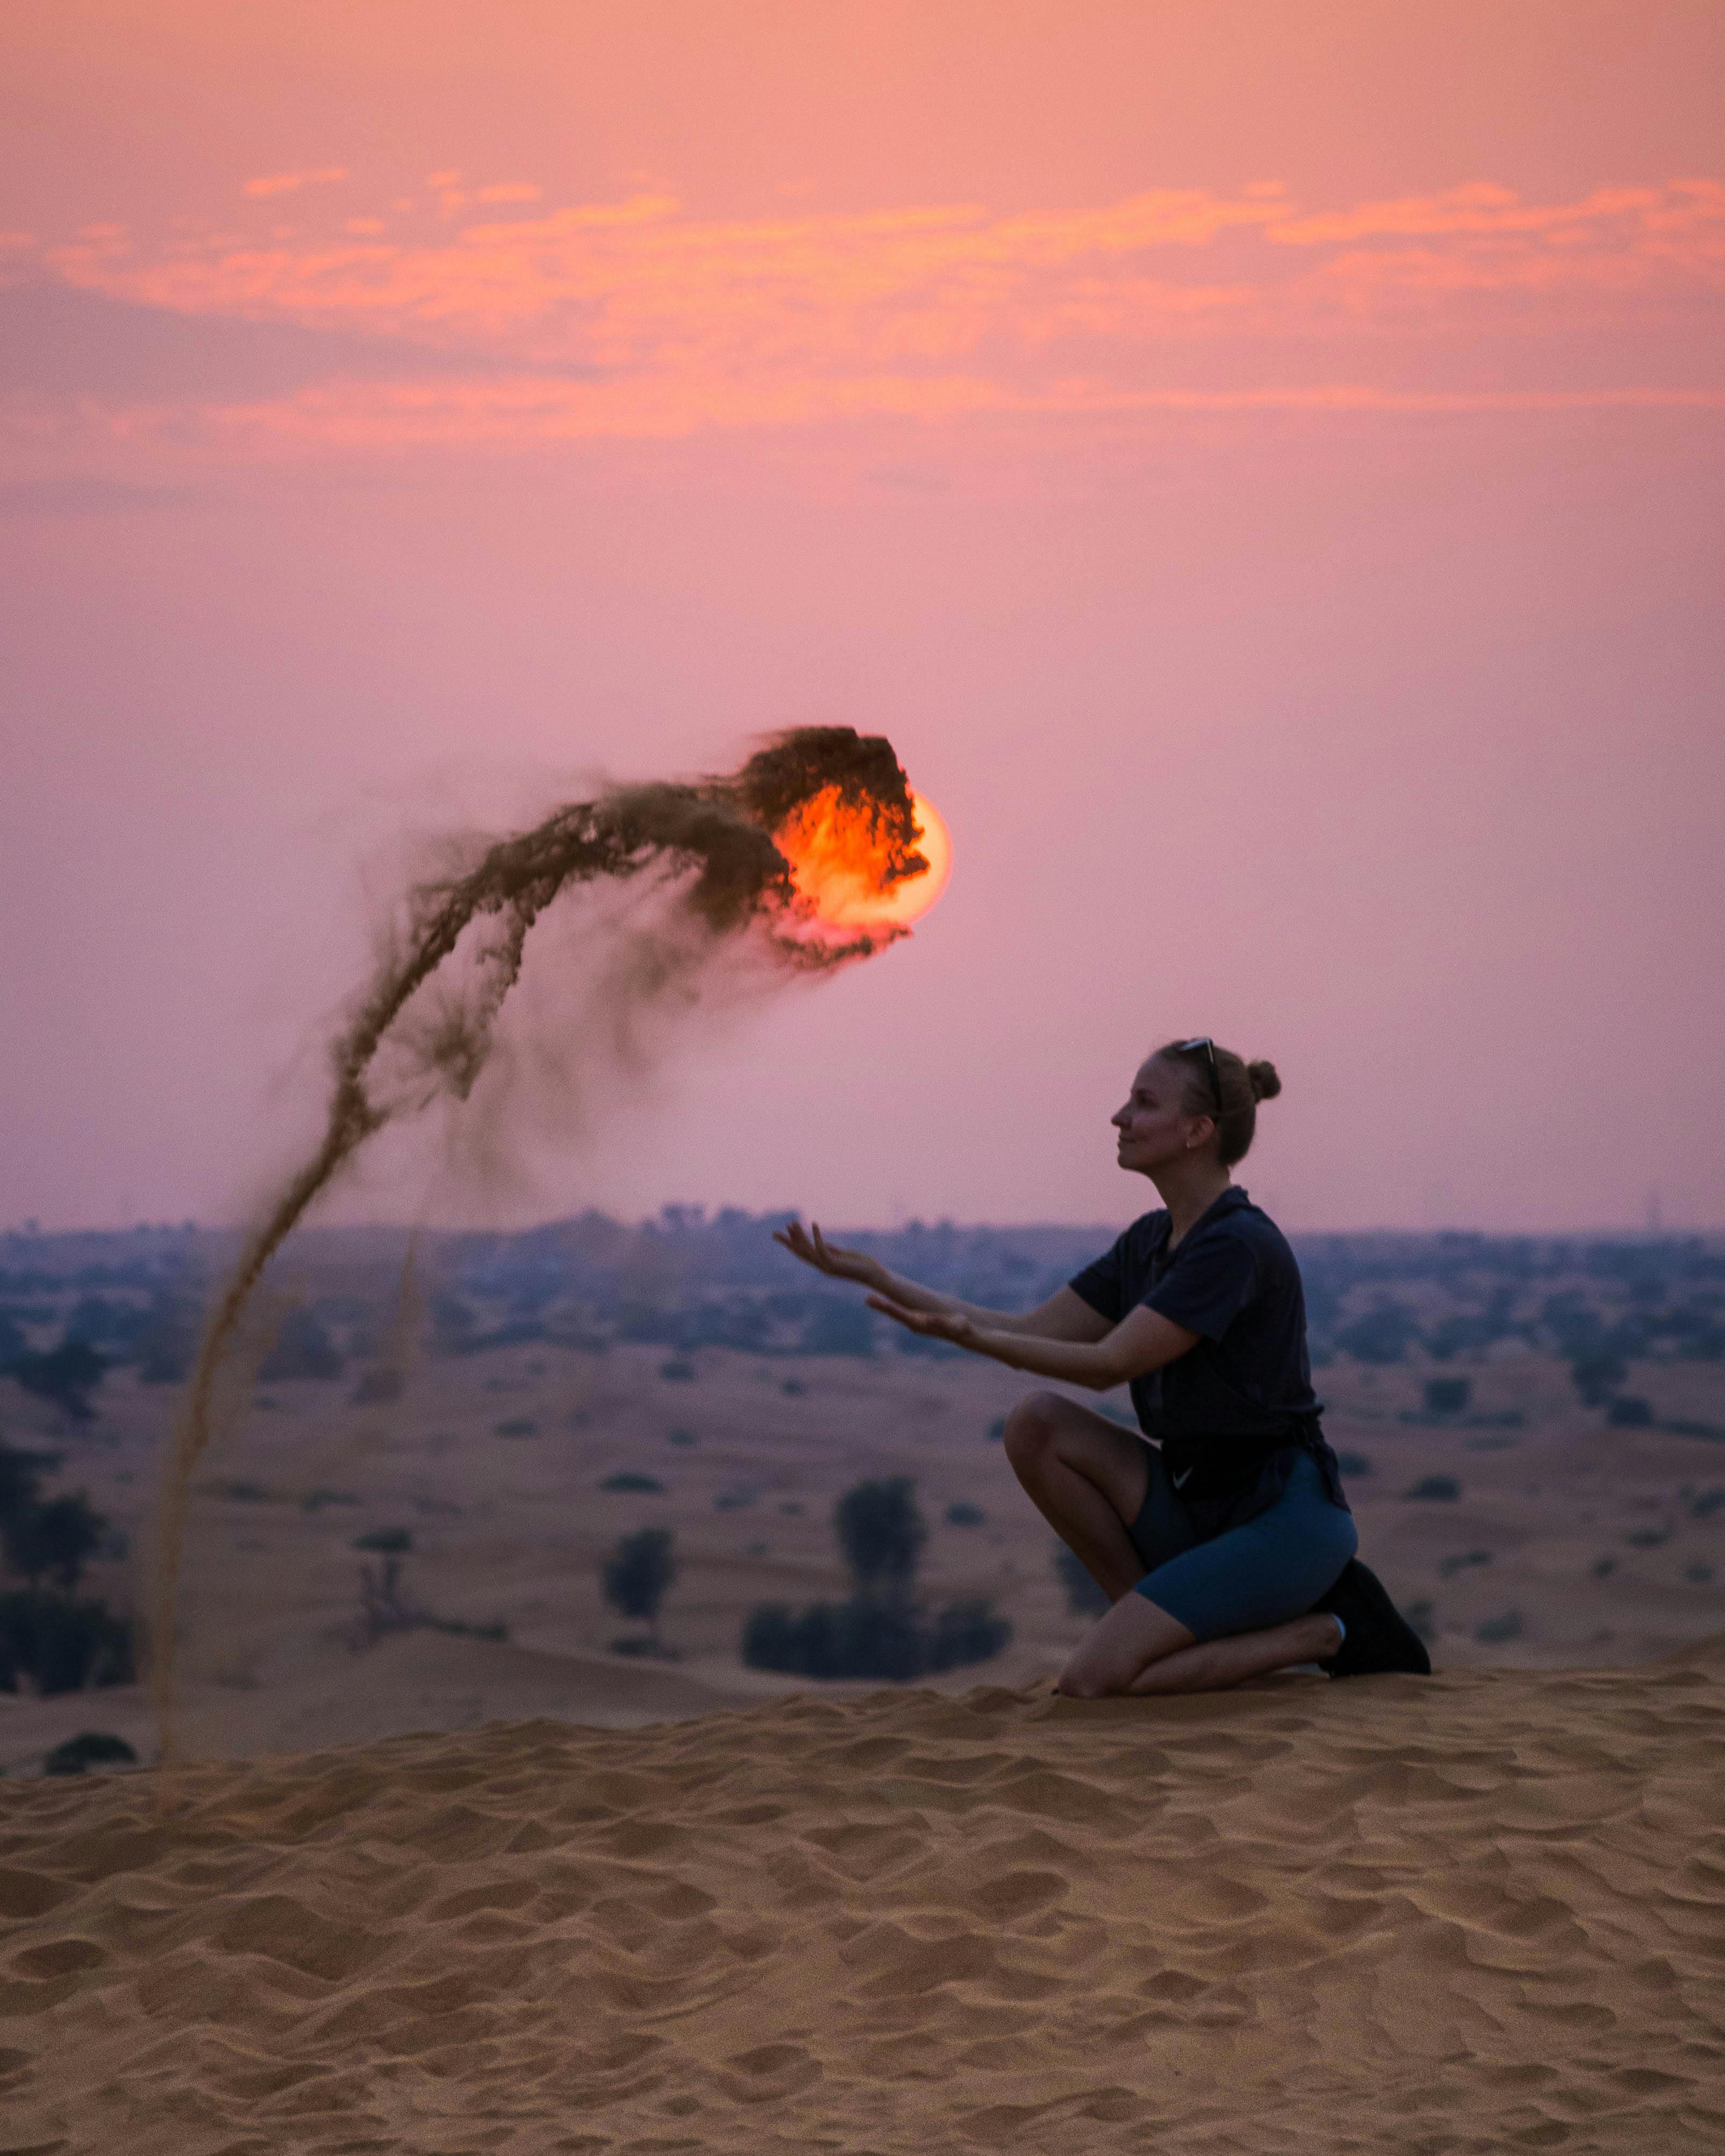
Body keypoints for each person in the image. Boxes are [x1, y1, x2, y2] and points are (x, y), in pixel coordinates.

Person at [774, 1037, 1429, 1697]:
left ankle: (1326, 1629)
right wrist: (887, 1279)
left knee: (1095, 1682)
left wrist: (971, 1337)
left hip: (1281, 1518)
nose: (1120, 1117)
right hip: (1197, 1501)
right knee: (1038, 1425)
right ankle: (1145, 1621)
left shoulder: (1234, 1245)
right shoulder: (1150, 1240)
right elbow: (1029, 1332)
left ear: (1198, 1130)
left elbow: (1105, 1364)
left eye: (1144, 1103)